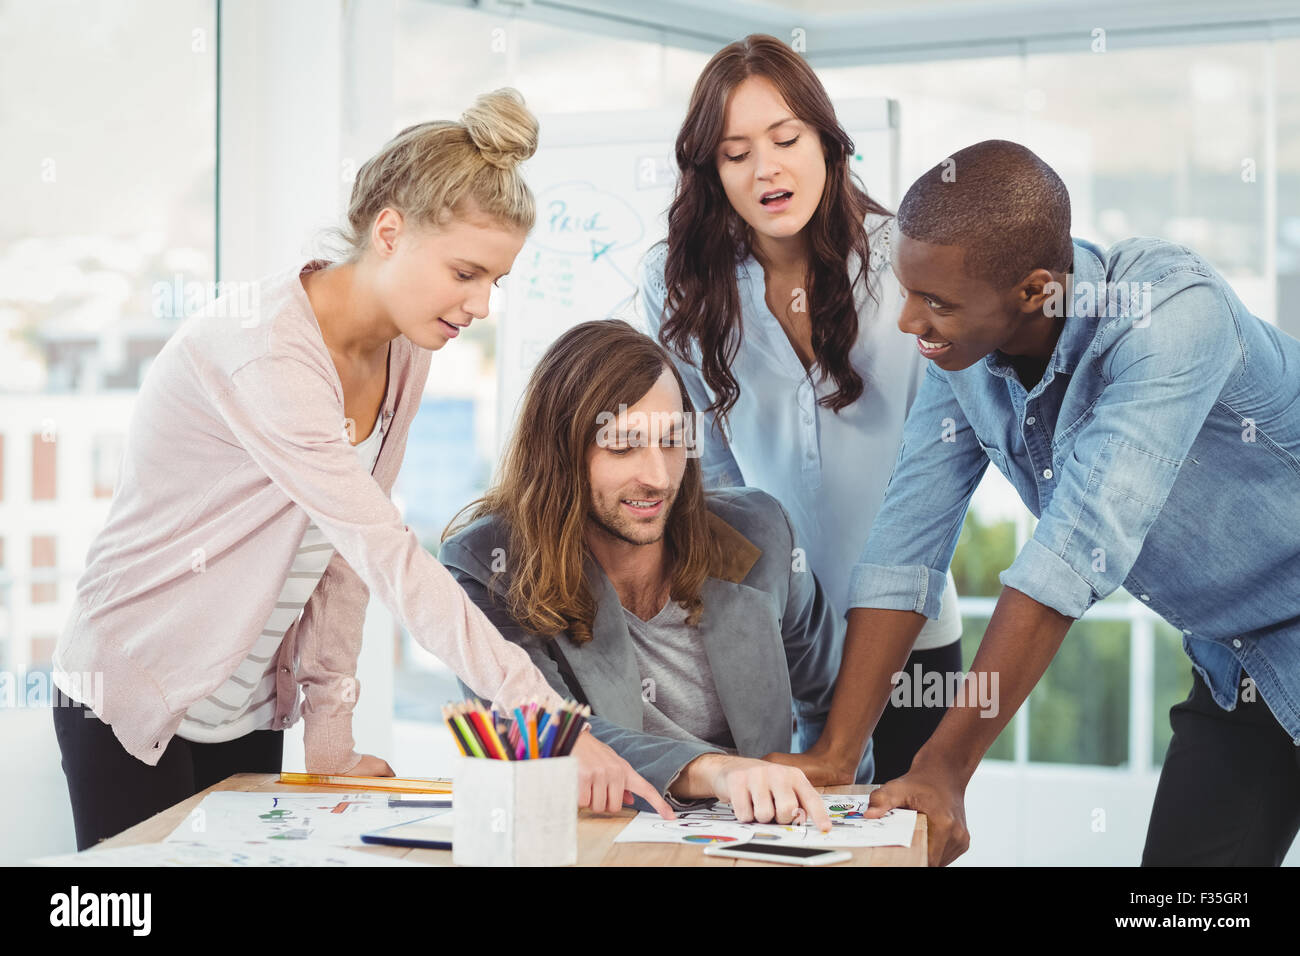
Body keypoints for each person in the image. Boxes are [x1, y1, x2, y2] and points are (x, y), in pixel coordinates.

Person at [51, 89, 671, 851]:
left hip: (244, 702)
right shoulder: (267, 350)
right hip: (135, 690)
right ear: (389, 231)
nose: (480, 304)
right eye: (465, 273)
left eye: (495, 283)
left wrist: (330, 736)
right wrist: (549, 726)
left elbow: (345, 564)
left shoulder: (405, 349)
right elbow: (388, 554)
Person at [785, 139, 1300, 867]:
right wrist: (839, 753)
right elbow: (906, 543)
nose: (908, 321)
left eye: (934, 302)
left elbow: (1070, 555)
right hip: (1236, 664)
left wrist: (944, 768)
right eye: (907, 291)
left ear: (1032, 291)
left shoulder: (1170, 317)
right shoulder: (962, 357)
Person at [638, 34, 962, 783]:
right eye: (735, 152)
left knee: (908, 843)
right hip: (771, 642)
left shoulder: (909, 264)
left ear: (827, 142)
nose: (766, 169)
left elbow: (939, 476)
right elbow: (712, 485)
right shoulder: (681, 285)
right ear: (710, 171)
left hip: (914, 636)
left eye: (785, 139)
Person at [441, 320, 873, 827]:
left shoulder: (760, 535)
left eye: (671, 441)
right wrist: (720, 773)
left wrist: (844, 811)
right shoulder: (488, 563)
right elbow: (545, 734)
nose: (658, 476)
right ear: (560, 451)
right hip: (598, 841)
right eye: (623, 446)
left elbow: (835, 701)